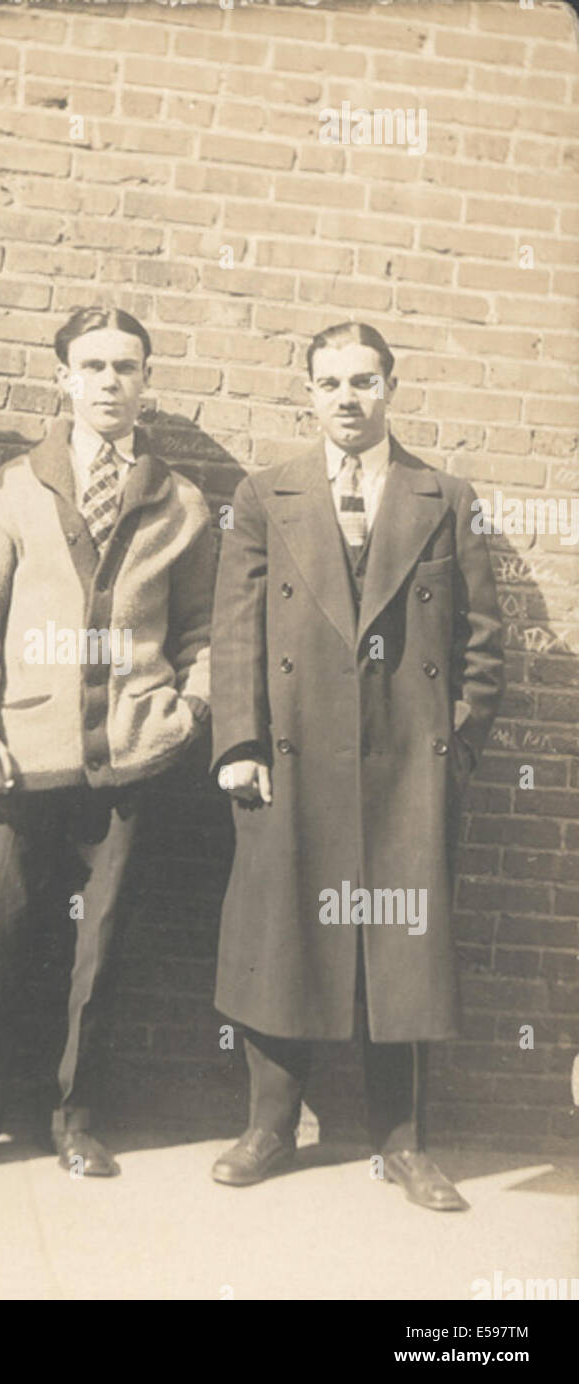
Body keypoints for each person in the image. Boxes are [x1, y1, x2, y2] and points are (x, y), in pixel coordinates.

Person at [209, 321, 504, 1211]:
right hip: (290, 762)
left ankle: (403, 1143)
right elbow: (234, 637)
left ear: (391, 387)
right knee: (282, 938)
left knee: (400, 951)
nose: (346, 398)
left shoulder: (442, 496)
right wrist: (239, 745)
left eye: (363, 381)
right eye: (330, 382)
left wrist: (447, 749)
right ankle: (269, 1127)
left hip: (403, 767)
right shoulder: (266, 494)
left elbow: (483, 643)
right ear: (307, 391)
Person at [0, 307, 214, 1182]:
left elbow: (204, 634)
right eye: (90, 367)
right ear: (62, 378)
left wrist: (187, 713)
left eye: (125, 367)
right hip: (24, 755)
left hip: (129, 758)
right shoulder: (15, 488)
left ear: (145, 382)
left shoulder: (181, 502)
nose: (108, 383)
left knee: (103, 952)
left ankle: (76, 1119)